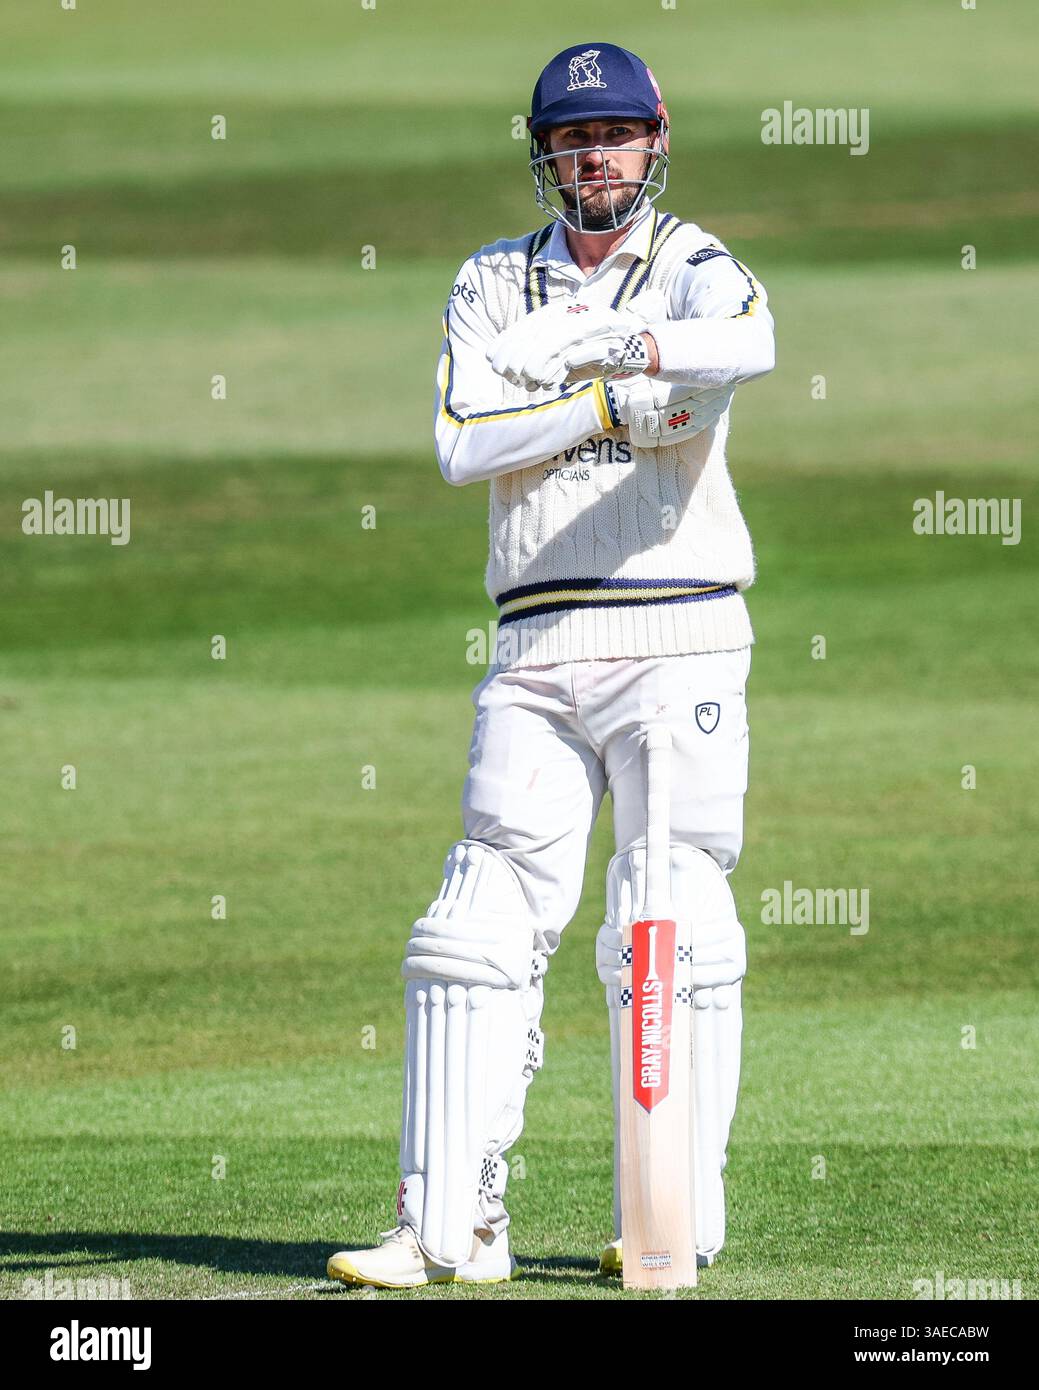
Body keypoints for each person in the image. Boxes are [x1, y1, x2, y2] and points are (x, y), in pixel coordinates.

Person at [328, 40, 775, 1289]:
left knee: (665, 927)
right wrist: (597, 406)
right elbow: (465, 443)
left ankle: (666, 1225)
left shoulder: (691, 264)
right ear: (543, 155)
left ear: (655, 136)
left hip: (677, 629)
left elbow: (748, 342)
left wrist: (610, 345)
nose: (595, 159)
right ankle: (449, 1229)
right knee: (470, 931)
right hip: (533, 645)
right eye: (573, 141)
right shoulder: (488, 279)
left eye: (615, 136)